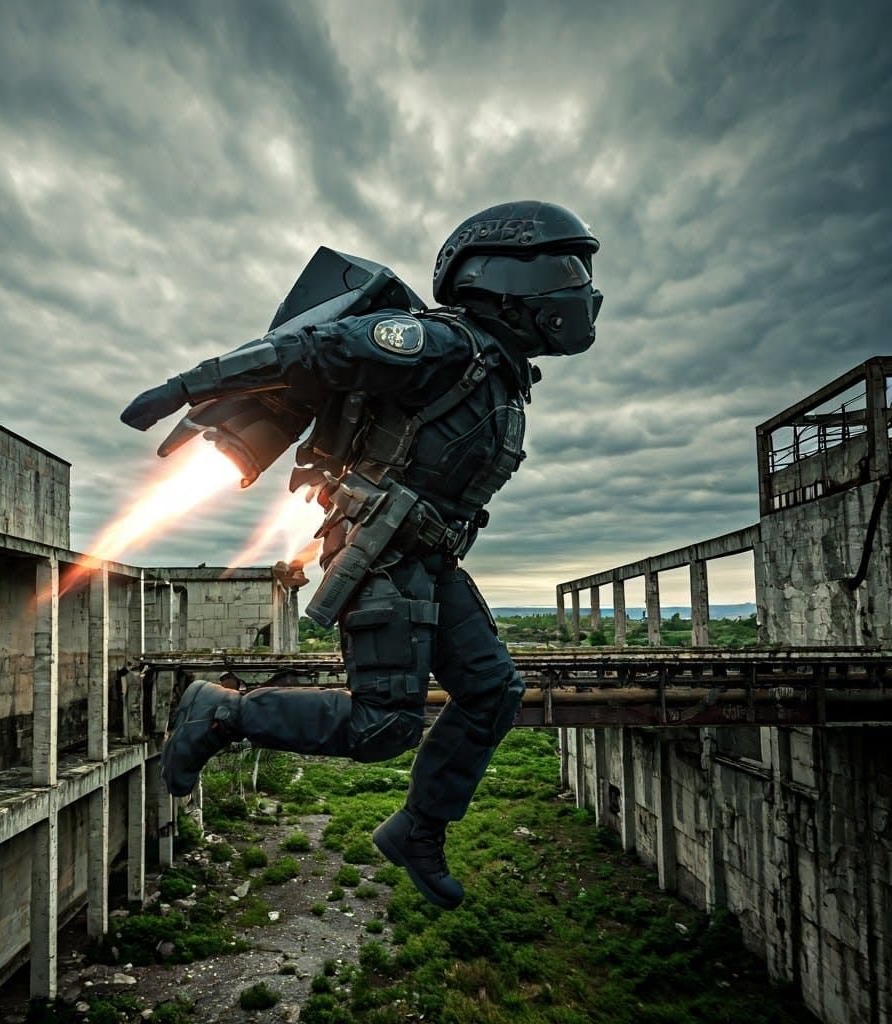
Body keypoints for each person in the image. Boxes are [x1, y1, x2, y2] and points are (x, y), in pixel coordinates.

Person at [121, 200, 602, 910]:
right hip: (378, 552)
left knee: (492, 688)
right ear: (506, 278)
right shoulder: (444, 344)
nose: (579, 290)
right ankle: (219, 712)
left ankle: (419, 830)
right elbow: (325, 347)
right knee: (383, 728)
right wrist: (196, 381)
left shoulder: (498, 378)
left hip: (429, 558)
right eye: (565, 270)